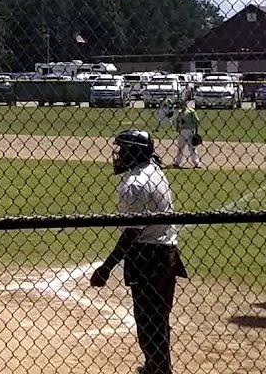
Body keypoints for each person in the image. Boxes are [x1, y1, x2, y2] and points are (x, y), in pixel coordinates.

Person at [90, 129, 188, 374]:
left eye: (122, 150)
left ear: (133, 152)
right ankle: (159, 367)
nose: (118, 155)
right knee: (159, 318)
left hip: (148, 258)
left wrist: (106, 268)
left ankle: (157, 369)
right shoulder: (155, 171)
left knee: (147, 322)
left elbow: (131, 234)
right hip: (167, 255)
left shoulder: (134, 185)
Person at [171, 102, 202, 168]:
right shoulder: (180, 112)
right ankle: (177, 162)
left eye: (181, 104)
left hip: (189, 131)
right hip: (182, 131)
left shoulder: (191, 111)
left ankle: (197, 163)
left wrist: (196, 132)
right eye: (179, 105)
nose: (180, 106)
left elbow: (196, 121)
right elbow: (178, 122)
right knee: (180, 148)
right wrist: (177, 129)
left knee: (192, 148)